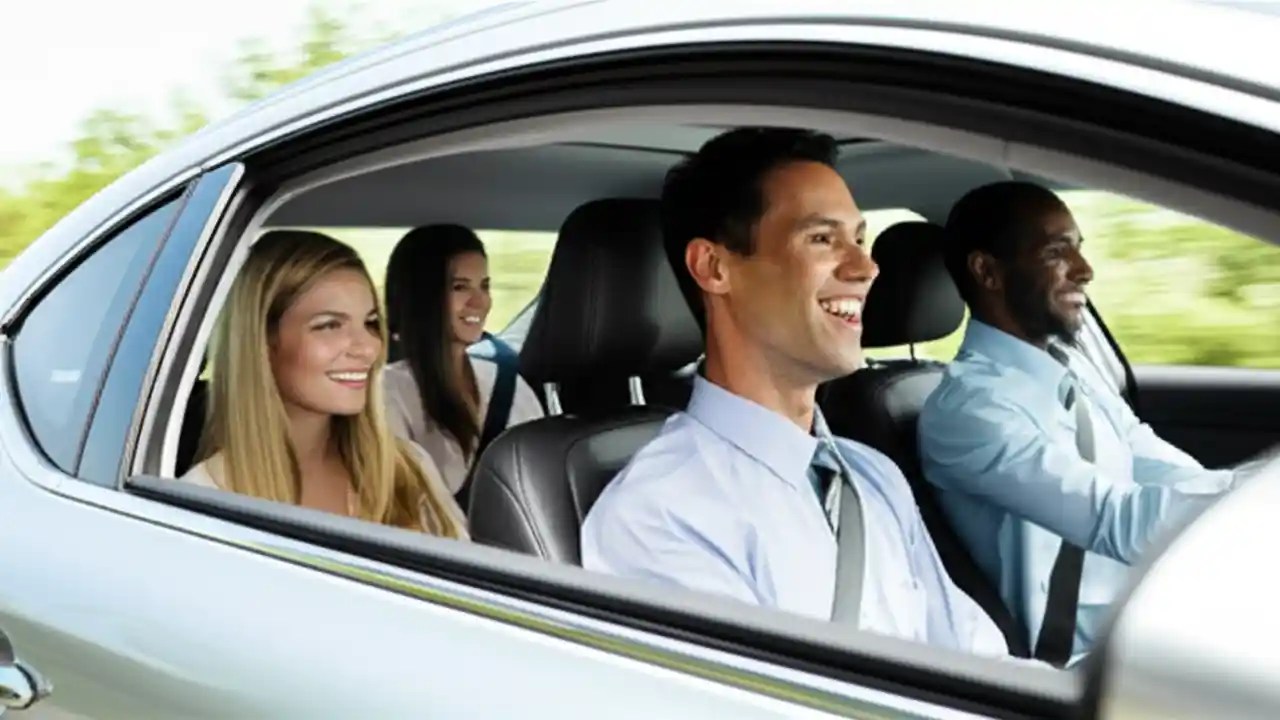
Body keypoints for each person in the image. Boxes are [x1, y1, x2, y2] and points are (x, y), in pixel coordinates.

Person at [580, 127, 1009, 657]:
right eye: (822, 239)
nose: (866, 267)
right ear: (714, 267)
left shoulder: (873, 476)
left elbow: (976, 661)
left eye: (860, 238)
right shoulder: (660, 515)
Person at [917, 181, 1248, 665]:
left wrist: (1250, 500)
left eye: (1079, 249)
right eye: (1056, 251)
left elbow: (1169, 471)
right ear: (988, 271)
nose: (1085, 270)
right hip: (1087, 664)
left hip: (1155, 614)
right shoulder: (971, 412)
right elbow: (1119, 520)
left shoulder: (1072, 373)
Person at [183, 230, 467, 539]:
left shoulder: (408, 467)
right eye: (329, 325)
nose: (369, 348)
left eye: (370, 323)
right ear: (261, 343)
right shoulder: (205, 500)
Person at [382, 224, 544, 498]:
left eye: (485, 286)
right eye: (460, 287)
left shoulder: (509, 383)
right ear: (423, 297)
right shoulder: (389, 392)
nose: (480, 302)